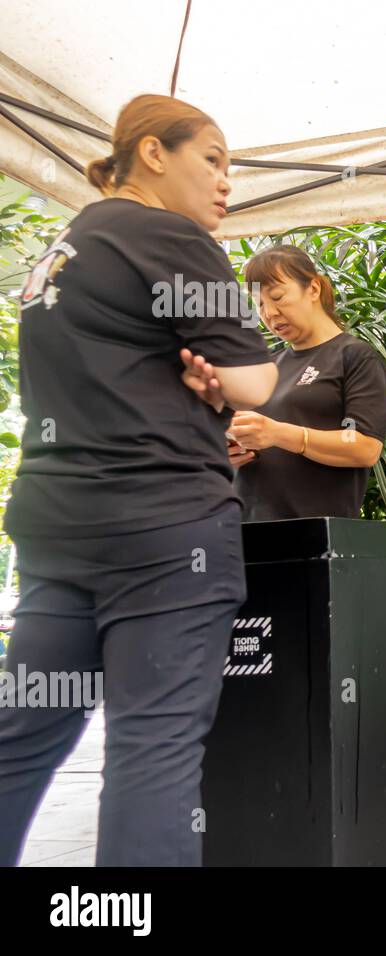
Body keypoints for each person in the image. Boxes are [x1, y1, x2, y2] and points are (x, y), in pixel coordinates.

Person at [0, 94, 277, 866]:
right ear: (153, 153)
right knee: (152, 748)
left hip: (60, 531)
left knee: (21, 741)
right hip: (161, 532)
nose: (227, 183)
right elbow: (256, 383)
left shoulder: (63, 248)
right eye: (213, 159)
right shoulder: (168, 234)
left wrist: (197, 380)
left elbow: (114, 377)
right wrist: (227, 382)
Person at [229, 245, 386, 521]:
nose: (269, 313)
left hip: (314, 537)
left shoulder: (355, 357)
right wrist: (232, 450)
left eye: (278, 297)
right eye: (259, 304)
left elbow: (365, 447)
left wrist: (279, 434)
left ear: (314, 289)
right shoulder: (267, 365)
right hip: (244, 531)